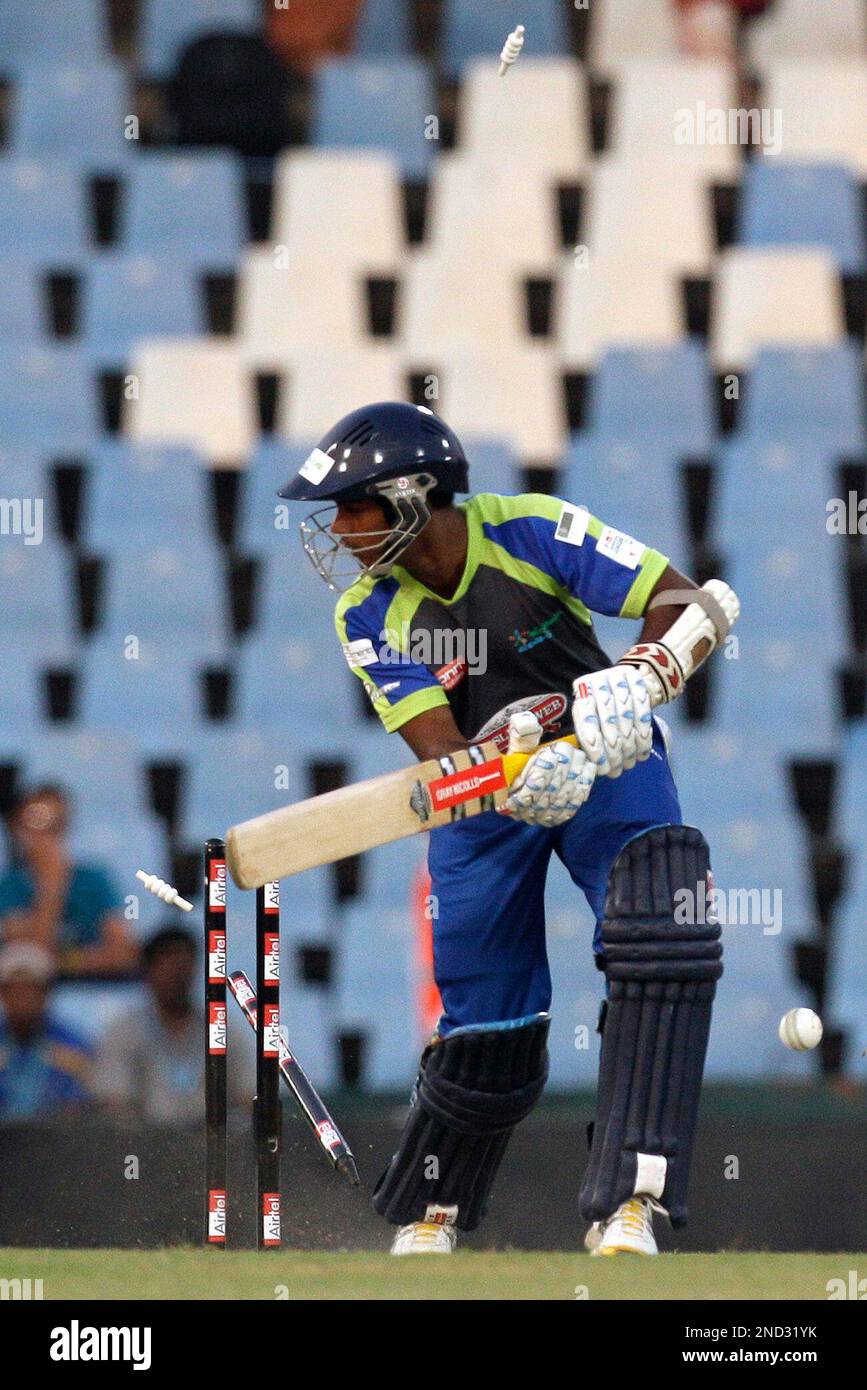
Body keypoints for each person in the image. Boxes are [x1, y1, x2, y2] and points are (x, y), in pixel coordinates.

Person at [278, 402, 734, 1256]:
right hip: (483, 796)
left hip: (609, 761)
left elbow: (681, 597)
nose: (337, 530)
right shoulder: (369, 614)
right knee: (486, 1010)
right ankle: (434, 1206)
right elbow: (438, 749)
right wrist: (511, 779)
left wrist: (637, 677)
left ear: (412, 497)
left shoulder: (527, 527)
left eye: (351, 506)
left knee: (662, 941)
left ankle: (629, 1201)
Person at [93, 926, 251, 1124]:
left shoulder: (224, 1030)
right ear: (149, 972)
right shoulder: (124, 1033)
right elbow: (113, 1102)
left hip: (212, 1145)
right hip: (146, 1147)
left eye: (184, 967)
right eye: (169, 968)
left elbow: (249, 1097)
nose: (178, 978)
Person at [0, 785, 138, 978]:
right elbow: (28, 966)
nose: (47, 838)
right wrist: (51, 886)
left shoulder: (96, 881)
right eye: (38, 825)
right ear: (20, 829)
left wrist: (64, 961)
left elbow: (122, 955)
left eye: (56, 826)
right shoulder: (8, 887)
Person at [0, 941, 92, 1122]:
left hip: (55, 1142)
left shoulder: (73, 1046)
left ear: (46, 992)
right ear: (3, 993)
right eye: (14, 989)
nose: (23, 998)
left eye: (31, 988)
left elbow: (83, 1106)